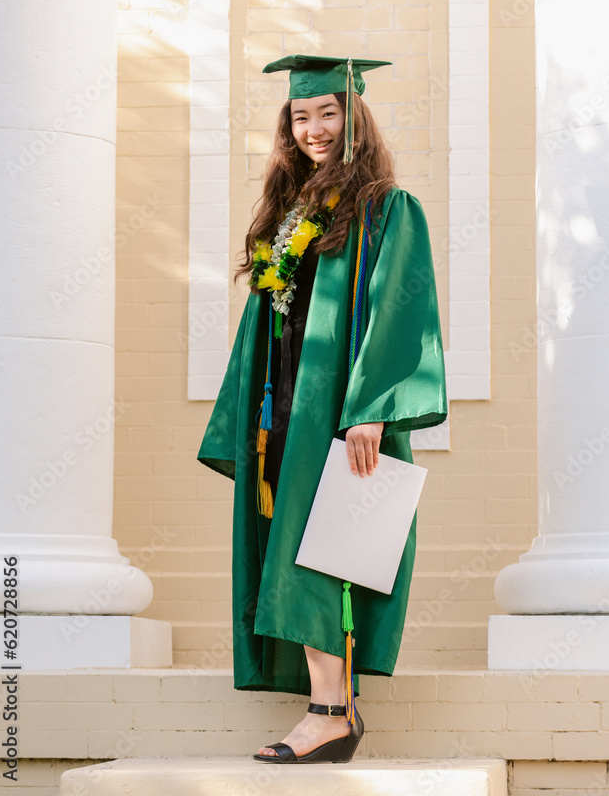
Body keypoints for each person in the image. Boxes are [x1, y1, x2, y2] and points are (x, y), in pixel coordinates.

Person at [197, 54, 447, 763]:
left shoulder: (388, 209)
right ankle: (331, 707)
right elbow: (266, 324)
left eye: (328, 113)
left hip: (338, 411)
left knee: (331, 547)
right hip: (283, 409)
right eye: (300, 117)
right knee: (298, 547)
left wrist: (373, 406)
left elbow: (405, 310)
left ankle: (330, 713)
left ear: (355, 118)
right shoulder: (291, 216)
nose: (314, 128)